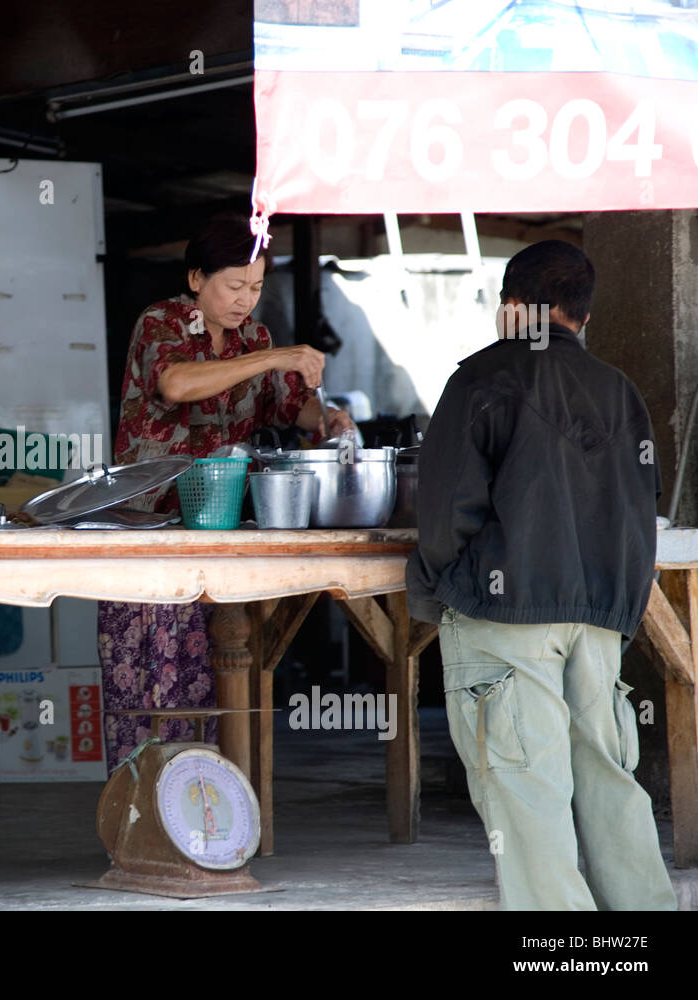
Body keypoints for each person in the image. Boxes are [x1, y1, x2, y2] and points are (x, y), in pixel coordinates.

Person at [406, 239, 676, 910]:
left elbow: (441, 516)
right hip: (600, 621)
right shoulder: (620, 391)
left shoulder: (481, 380)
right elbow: (643, 509)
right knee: (608, 780)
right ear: (581, 316)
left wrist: (446, 588)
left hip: (505, 616)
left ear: (510, 309)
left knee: (527, 791)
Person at [99, 213, 355, 771]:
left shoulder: (254, 338)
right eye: (234, 285)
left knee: (212, 670)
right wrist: (276, 357)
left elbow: (289, 407)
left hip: (215, 529)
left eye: (257, 287)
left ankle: (207, 805)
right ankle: (144, 813)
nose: (246, 299)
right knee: (148, 677)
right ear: (196, 278)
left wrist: (329, 416)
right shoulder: (162, 322)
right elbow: (176, 383)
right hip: (146, 529)